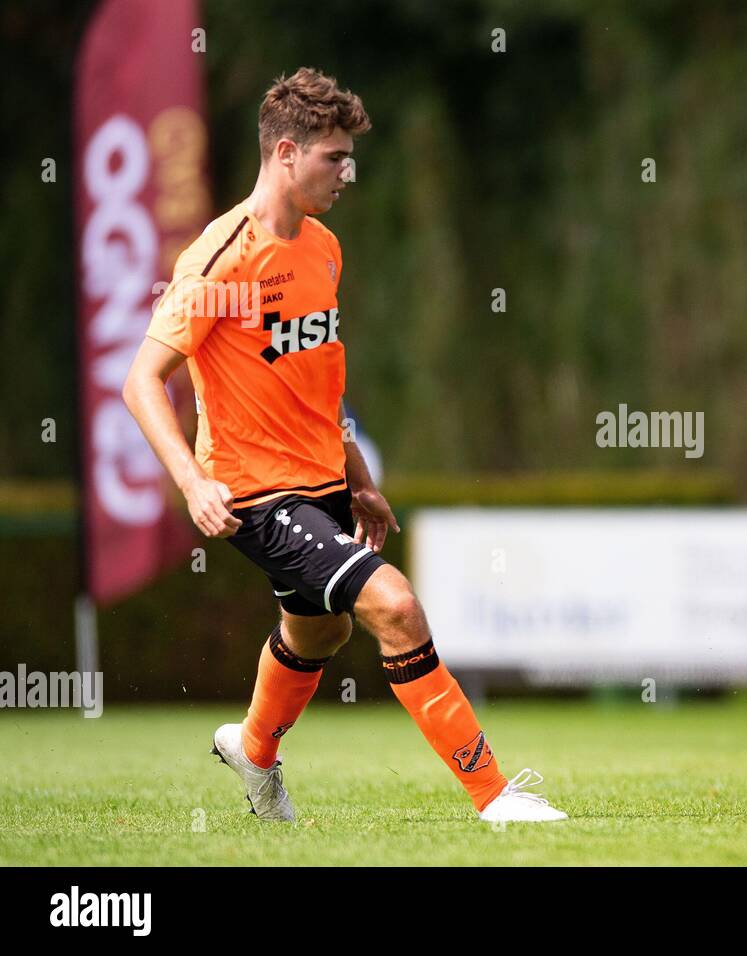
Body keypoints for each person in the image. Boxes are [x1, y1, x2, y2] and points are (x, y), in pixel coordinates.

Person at [123, 67, 565, 824]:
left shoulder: (323, 248)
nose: (348, 172)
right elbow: (141, 381)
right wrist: (194, 484)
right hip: (255, 492)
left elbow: (316, 382)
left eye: (351, 157)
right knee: (394, 605)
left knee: (318, 628)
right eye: (335, 157)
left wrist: (357, 475)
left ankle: (254, 751)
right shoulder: (219, 259)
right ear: (286, 152)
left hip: (321, 478)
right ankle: (494, 795)